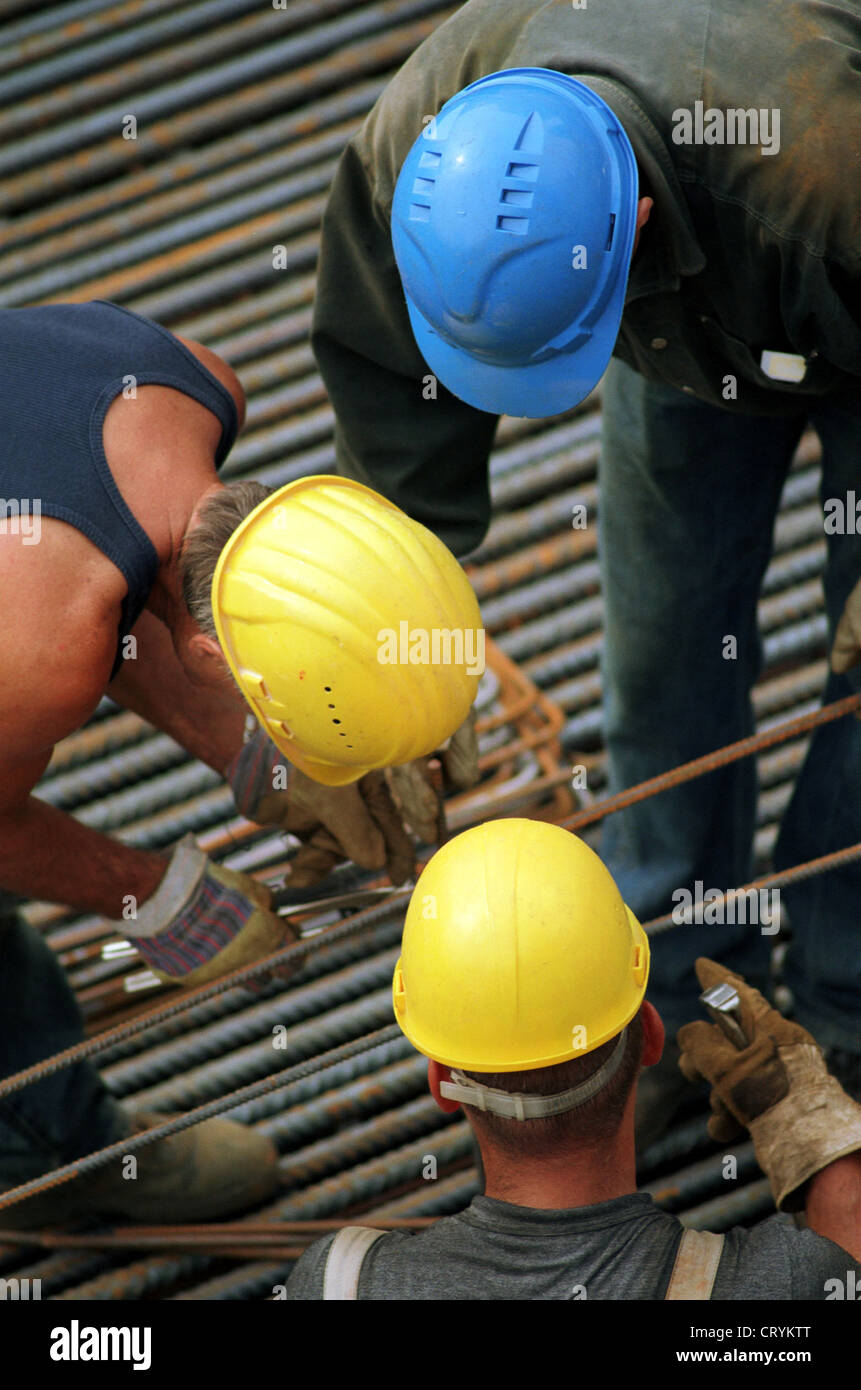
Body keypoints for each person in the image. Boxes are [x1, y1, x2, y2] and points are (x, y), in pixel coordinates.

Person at [309, 0, 861, 1146]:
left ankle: (848, 997)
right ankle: (687, 986)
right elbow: (386, 373)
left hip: (821, 268)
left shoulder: (821, 172)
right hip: (695, 308)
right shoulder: (419, 152)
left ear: (638, 219)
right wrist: (394, 631)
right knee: (662, 639)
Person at [0, 301, 481, 1225]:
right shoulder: (42, 652)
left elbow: (123, 567)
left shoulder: (192, 382)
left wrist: (248, 748)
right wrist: (152, 895)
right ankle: (34, 1152)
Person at [285, 819, 861, 1300]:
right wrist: (809, 1123)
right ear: (651, 1039)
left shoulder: (336, 1283)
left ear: (441, 1084)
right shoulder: (772, 1293)